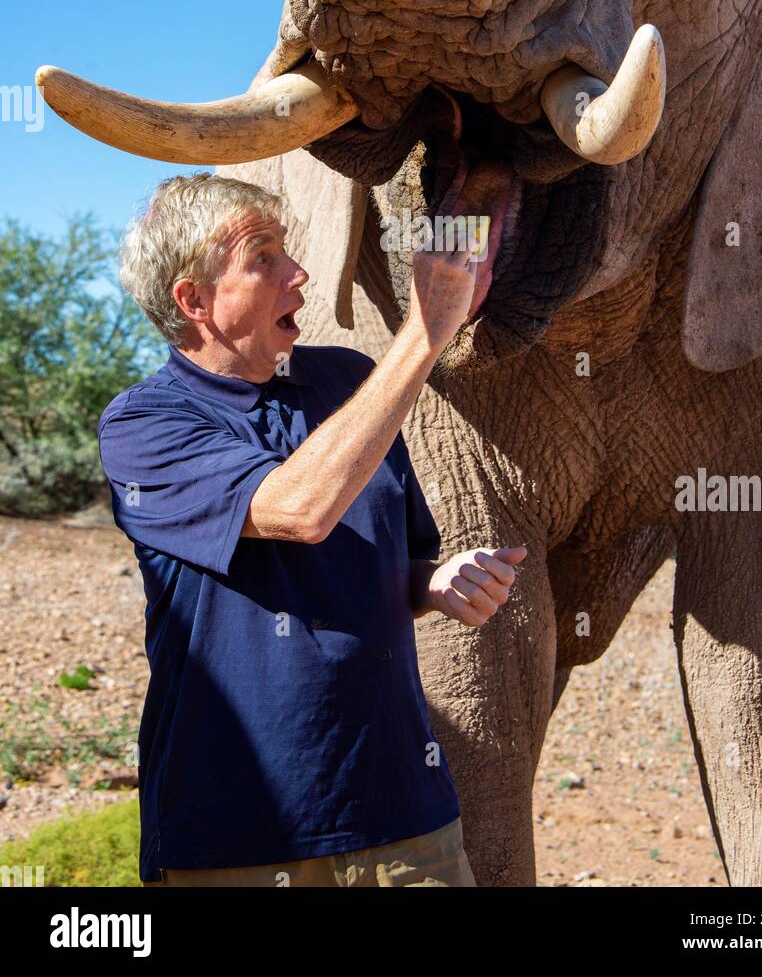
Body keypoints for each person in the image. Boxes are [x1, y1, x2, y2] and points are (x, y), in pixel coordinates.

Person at [98, 172, 526, 887]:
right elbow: (299, 510)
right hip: (238, 836)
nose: (297, 273)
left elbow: (398, 562)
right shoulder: (144, 426)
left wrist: (438, 581)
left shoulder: (346, 383)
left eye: (287, 251)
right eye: (263, 257)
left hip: (405, 816)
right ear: (193, 300)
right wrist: (423, 334)